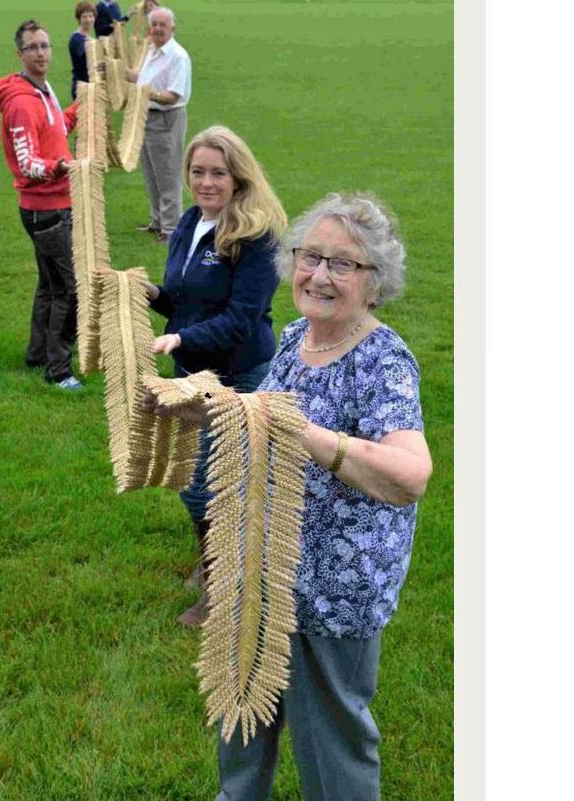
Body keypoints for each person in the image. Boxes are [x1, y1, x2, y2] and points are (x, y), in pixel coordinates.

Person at [144, 192, 434, 800]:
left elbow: (410, 476)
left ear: (374, 283)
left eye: (343, 264)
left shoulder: (384, 362)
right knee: (240, 721)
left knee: (332, 745)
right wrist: (194, 408)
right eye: (310, 257)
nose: (319, 275)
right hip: (260, 568)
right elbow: (257, 423)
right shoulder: (299, 335)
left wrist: (307, 436)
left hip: (332, 589)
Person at [145, 125, 288, 626]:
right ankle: (212, 565)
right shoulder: (189, 222)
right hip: (191, 373)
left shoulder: (257, 236)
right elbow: (184, 299)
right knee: (194, 478)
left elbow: (241, 318)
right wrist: (151, 296)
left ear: (239, 177)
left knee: (212, 484)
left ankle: (222, 587)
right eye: (197, 172)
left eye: (218, 173)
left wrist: (180, 339)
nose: (206, 182)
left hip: (236, 375)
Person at [0, 19, 83, 390]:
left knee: (49, 284)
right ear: (20, 53)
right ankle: (59, 370)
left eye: (45, 45)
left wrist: (77, 110)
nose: (41, 53)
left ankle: (37, 352)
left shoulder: (42, 90)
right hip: (46, 208)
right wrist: (57, 168)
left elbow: (55, 130)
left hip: (53, 204)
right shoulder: (21, 103)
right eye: (33, 48)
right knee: (69, 289)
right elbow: (28, 162)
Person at [127, 6, 191, 243]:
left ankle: (171, 229)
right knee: (151, 172)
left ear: (173, 28)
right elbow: (142, 78)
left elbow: (173, 95)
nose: (158, 29)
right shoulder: (152, 51)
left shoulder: (178, 56)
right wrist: (118, 71)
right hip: (148, 117)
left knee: (167, 173)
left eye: (163, 25)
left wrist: (148, 94)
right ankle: (157, 221)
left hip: (167, 119)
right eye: (154, 25)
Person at [68, 3, 96, 101]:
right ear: (79, 19)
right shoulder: (77, 39)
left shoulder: (89, 39)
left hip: (90, 87)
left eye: (91, 16)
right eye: (84, 17)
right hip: (81, 88)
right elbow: (86, 55)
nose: (88, 20)